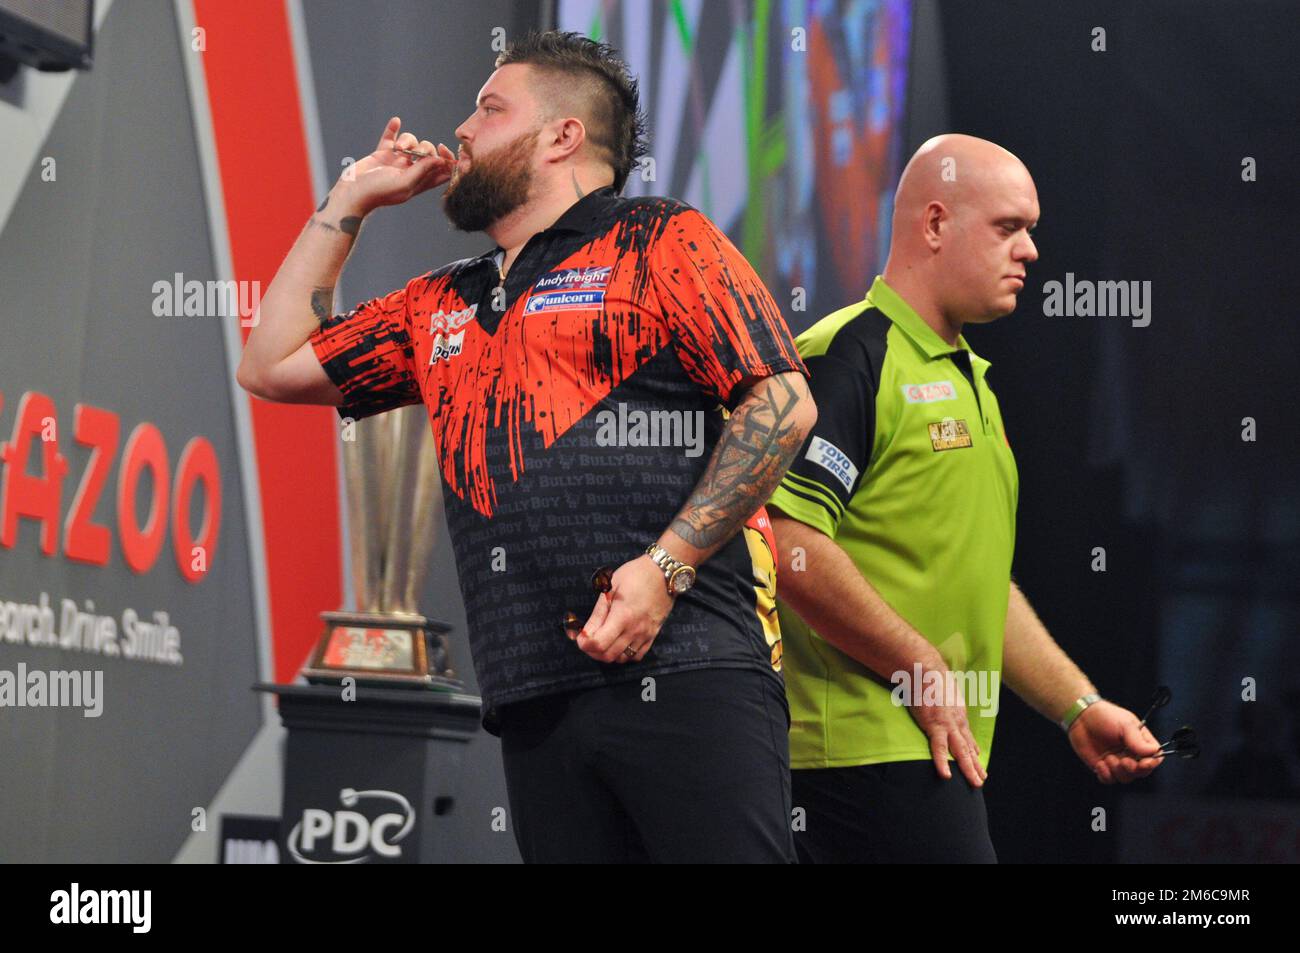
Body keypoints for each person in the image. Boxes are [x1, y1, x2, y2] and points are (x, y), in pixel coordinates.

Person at [236, 30, 816, 863]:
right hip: (532, 692)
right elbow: (272, 363)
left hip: (688, 671)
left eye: (490, 107)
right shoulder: (444, 298)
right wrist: (351, 199)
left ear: (562, 136)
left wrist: (666, 568)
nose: (462, 130)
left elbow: (784, 402)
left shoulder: (661, 240)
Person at [766, 134, 1162, 864]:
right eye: (1009, 227)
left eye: (1031, 230)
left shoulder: (970, 377)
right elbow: (787, 542)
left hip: (935, 752)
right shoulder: (850, 353)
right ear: (936, 224)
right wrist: (919, 664)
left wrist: (1076, 705)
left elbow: (982, 585)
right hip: (856, 757)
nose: (1032, 252)